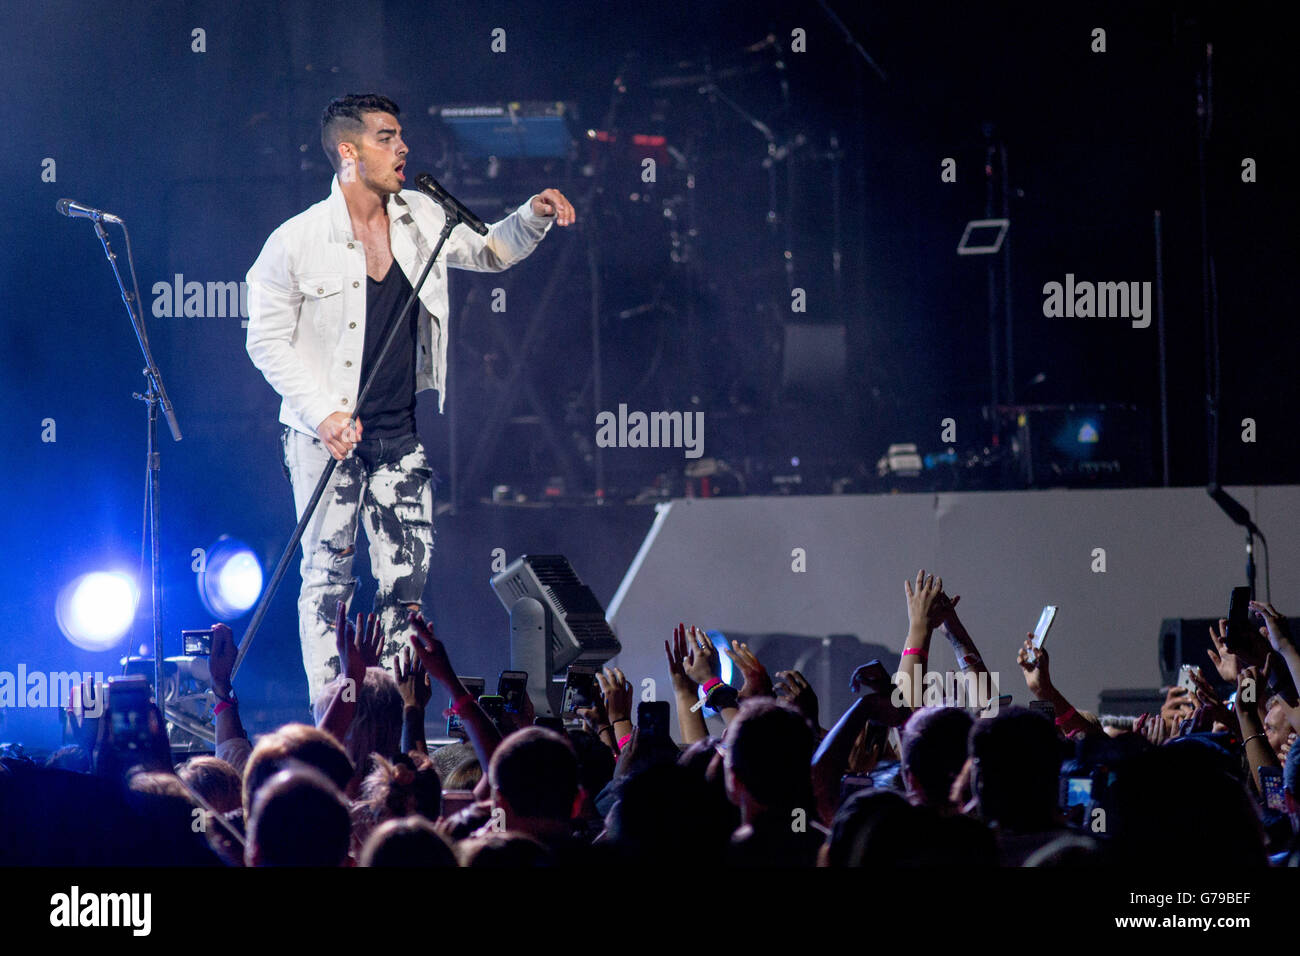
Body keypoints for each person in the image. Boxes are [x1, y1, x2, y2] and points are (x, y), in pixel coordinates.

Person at [245, 92, 576, 703]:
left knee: (406, 580)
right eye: (387, 137)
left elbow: (489, 249)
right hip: (327, 441)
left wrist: (531, 215)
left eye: (402, 136)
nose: (403, 148)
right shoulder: (294, 241)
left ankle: (396, 714)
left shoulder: (422, 215)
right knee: (326, 579)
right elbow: (264, 341)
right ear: (349, 151)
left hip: (399, 433)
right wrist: (323, 413)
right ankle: (333, 715)